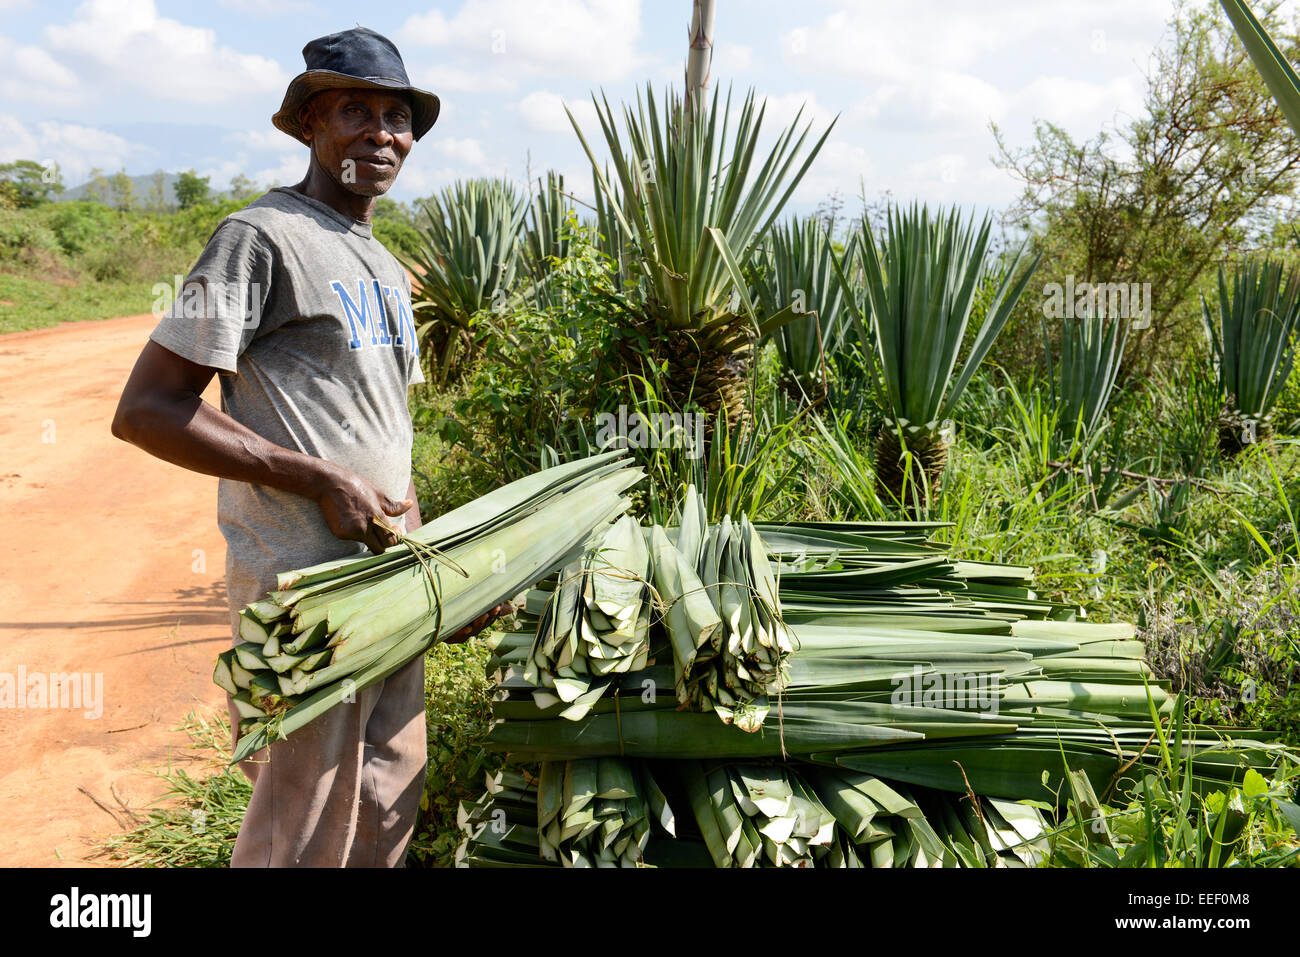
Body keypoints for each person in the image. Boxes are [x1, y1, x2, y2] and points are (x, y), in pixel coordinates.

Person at [112, 26, 509, 867]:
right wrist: (315, 478)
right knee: (298, 826)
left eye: (397, 116)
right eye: (353, 110)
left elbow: (383, 441)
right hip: (306, 600)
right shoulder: (259, 237)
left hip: (389, 591)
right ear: (308, 127)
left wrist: (439, 565)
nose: (380, 132)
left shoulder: (389, 268)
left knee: (386, 800)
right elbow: (148, 408)